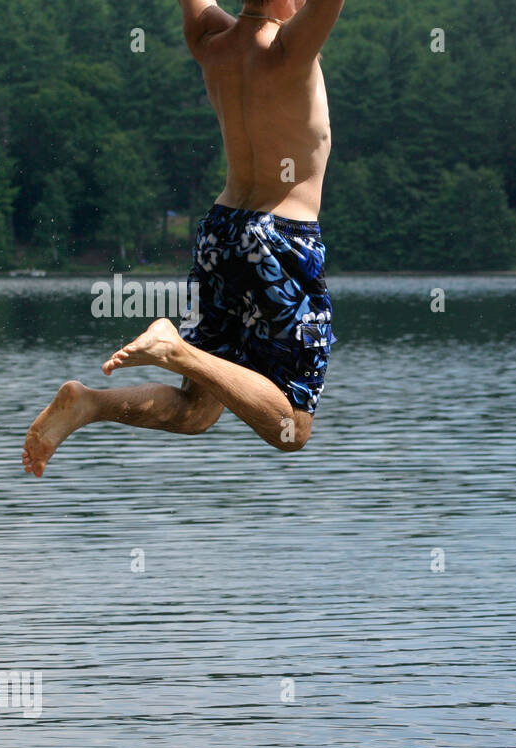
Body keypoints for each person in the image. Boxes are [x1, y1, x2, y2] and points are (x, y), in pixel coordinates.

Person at [22, 0, 344, 477]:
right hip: (280, 241)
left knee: (198, 411)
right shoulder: (289, 50)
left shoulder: (210, 42)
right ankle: (174, 348)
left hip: (221, 233)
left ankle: (88, 403)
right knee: (292, 428)